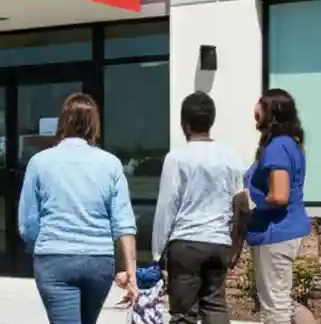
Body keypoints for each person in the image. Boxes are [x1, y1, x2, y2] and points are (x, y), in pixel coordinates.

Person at [19, 93, 139, 324]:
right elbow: (123, 222)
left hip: (55, 257)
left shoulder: (39, 163)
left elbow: (28, 224)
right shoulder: (111, 164)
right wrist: (131, 271)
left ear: (63, 121)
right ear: (94, 124)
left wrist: (42, 244)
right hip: (99, 260)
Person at [151, 91, 246, 324]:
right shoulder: (231, 156)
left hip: (186, 243)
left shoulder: (177, 158)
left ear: (184, 122)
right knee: (215, 307)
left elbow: (167, 207)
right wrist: (236, 244)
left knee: (184, 314)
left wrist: (157, 252)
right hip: (218, 242)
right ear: (211, 121)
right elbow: (241, 205)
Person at [244, 89, 311, 324]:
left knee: (275, 307)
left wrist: (252, 201)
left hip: (276, 233)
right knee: (284, 302)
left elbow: (280, 195)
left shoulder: (277, 148)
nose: (255, 109)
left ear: (271, 112)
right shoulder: (289, 145)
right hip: (286, 230)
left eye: (260, 105)